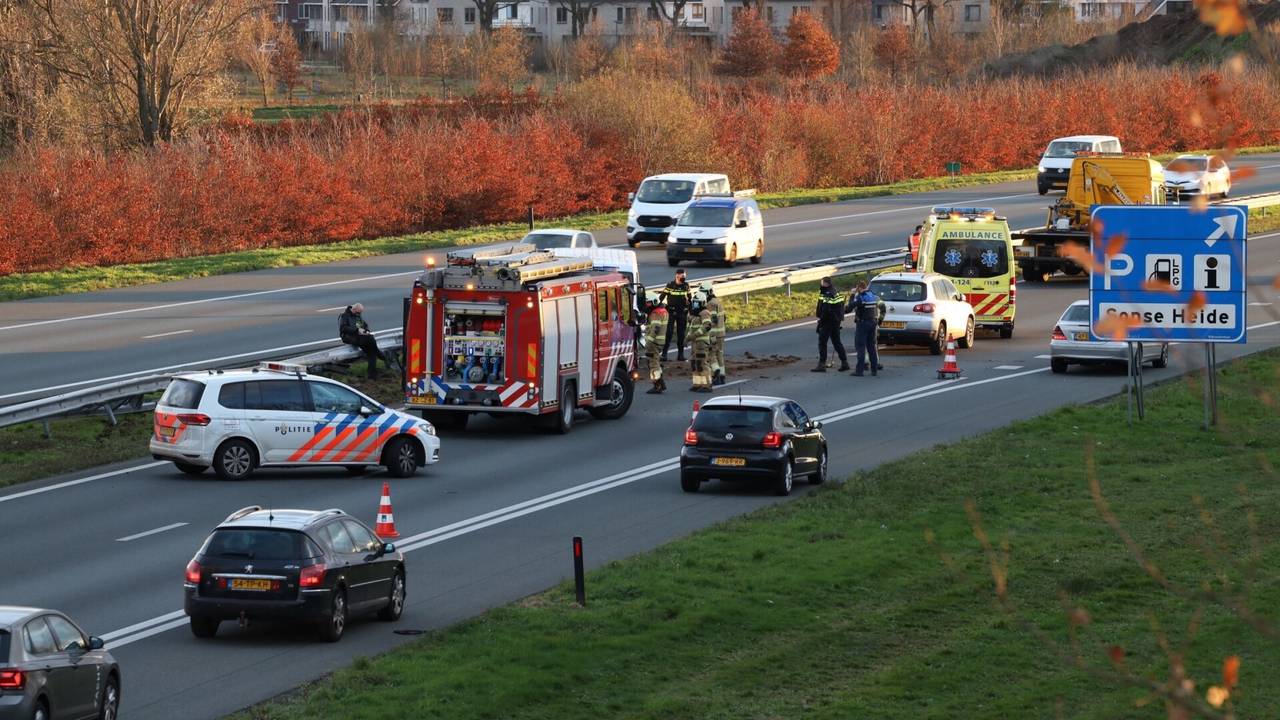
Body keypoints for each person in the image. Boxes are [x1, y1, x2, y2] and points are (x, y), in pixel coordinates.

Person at [339, 303, 389, 379]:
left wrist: (366, 330)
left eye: (360, 313)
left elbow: (364, 324)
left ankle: (372, 375)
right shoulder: (344, 316)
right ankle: (380, 354)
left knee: (372, 353)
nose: (359, 314)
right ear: (354, 309)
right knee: (370, 340)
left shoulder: (358, 315)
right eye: (358, 312)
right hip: (349, 337)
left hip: (360, 336)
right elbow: (343, 328)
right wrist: (357, 330)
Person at [846, 281, 884, 377]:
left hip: (863, 324)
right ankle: (874, 370)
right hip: (873, 323)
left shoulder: (861, 297)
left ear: (859, 288)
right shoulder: (874, 296)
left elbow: (849, 307)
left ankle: (859, 371)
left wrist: (852, 295)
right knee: (872, 347)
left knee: (861, 347)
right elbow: (883, 307)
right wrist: (880, 320)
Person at [812, 277, 849, 372]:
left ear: (825, 284)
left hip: (828, 321)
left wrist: (820, 323)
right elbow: (841, 307)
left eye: (822, 283)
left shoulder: (827, 293)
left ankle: (821, 364)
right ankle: (845, 362)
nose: (820, 285)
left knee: (822, 343)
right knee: (837, 342)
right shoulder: (835, 291)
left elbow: (826, 310)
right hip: (836, 321)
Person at [659, 269, 691, 361]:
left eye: (684, 277)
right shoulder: (670, 285)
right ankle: (664, 354)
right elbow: (662, 297)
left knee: (681, 334)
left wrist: (689, 309)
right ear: (677, 276)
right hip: (671, 312)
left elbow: (690, 298)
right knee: (668, 333)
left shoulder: (686, 285)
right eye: (682, 277)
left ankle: (680, 355)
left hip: (682, 313)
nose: (683, 279)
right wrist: (659, 305)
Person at [644, 305, 669, 394]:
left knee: (653, 364)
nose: (647, 305)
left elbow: (655, 328)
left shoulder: (655, 313)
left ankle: (657, 385)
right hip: (660, 341)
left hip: (653, 342)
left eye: (648, 303)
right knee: (656, 362)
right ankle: (661, 383)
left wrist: (648, 341)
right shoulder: (663, 311)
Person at [688, 309, 714, 392]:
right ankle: (697, 384)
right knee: (694, 364)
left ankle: (707, 385)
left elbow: (707, 325)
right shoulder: (695, 315)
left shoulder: (705, 313)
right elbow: (691, 329)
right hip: (695, 343)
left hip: (702, 343)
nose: (695, 305)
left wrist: (694, 335)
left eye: (696, 303)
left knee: (702, 364)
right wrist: (687, 338)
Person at [706, 290, 727, 385]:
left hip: (715, 335)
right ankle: (722, 376)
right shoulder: (718, 302)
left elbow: (713, 321)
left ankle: (716, 374)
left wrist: (712, 336)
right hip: (722, 334)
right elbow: (724, 318)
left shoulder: (711, 304)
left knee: (711, 355)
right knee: (720, 355)